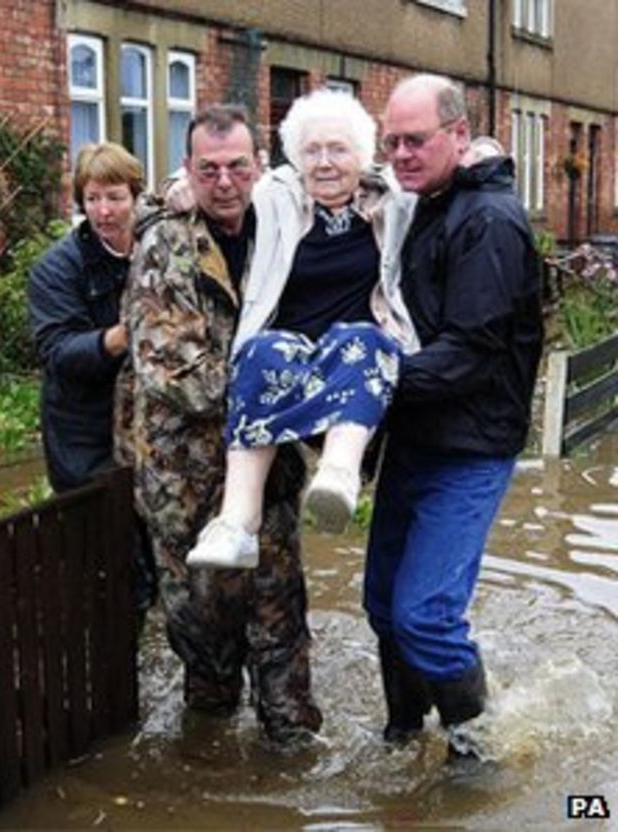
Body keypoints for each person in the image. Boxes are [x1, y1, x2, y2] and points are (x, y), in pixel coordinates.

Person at [114, 104, 323, 748]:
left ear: (260, 165)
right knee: (202, 636)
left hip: (269, 473)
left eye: (237, 166)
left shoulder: (284, 226)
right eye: (208, 170)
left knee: (280, 623)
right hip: (184, 479)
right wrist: (280, 389)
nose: (224, 182)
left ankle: (292, 752)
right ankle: (204, 765)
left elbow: (360, 180)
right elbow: (172, 371)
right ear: (187, 169)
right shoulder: (164, 244)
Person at [363, 74, 543, 756]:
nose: (401, 155)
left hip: (470, 447)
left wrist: (370, 383)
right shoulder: (426, 203)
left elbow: (469, 352)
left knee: (426, 616)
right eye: (392, 143)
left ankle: (477, 755)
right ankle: (403, 736)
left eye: (416, 140)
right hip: (416, 437)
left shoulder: (489, 222)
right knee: (384, 604)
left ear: (459, 136)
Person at [186, 89, 420, 572]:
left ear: (362, 155)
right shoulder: (276, 195)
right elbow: (221, 176)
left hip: (358, 357)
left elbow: (446, 175)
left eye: (338, 149)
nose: (325, 162)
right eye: (312, 150)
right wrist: (174, 187)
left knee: (363, 339)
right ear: (296, 157)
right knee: (258, 350)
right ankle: (237, 523)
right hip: (292, 358)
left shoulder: (395, 200)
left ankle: (338, 476)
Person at [29, 142, 157, 619]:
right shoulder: (57, 269)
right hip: (84, 429)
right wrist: (121, 336)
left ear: (135, 196)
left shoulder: (157, 247)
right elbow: (57, 351)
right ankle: (111, 639)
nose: (104, 211)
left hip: (149, 420)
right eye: (93, 198)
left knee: (159, 543)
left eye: (115, 197)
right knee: (107, 554)